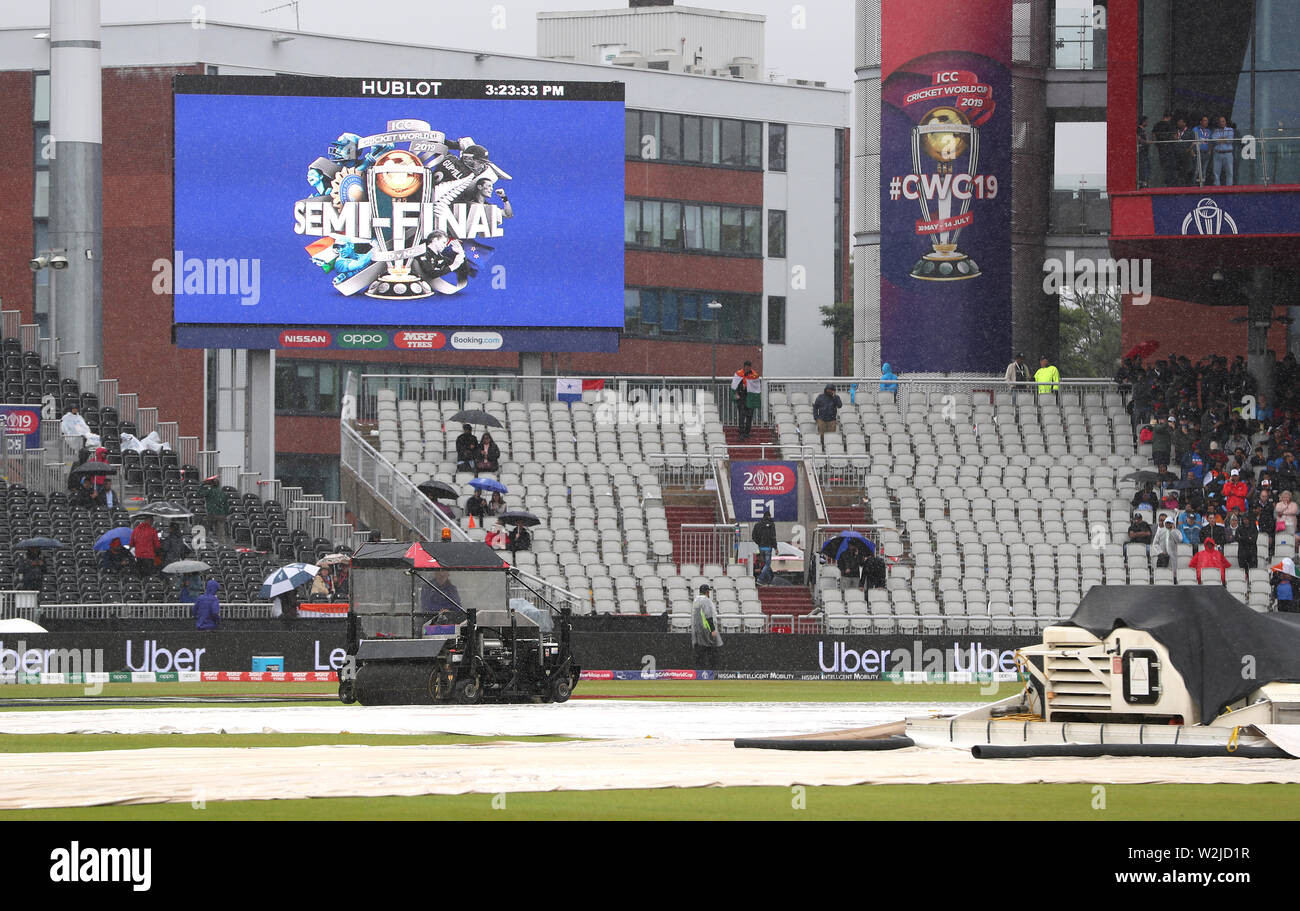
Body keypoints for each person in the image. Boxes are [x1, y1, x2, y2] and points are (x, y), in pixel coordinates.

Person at [690, 583, 722, 670]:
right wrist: (712, 629)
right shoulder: (706, 600)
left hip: (697, 629)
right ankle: (713, 671)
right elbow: (708, 615)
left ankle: (699, 671)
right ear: (707, 592)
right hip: (706, 629)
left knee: (699, 652)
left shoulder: (695, 600)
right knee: (713, 650)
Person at [731, 361, 761, 440]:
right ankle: (741, 433)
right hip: (741, 397)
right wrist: (736, 393)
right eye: (746, 367)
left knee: (749, 416)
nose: (747, 368)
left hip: (750, 398)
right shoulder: (738, 374)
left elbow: (756, 388)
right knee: (741, 415)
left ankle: (747, 432)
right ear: (744, 367)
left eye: (749, 367)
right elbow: (734, 385)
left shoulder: (754, 375)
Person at [812, 384, 843, 451]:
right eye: (828, 389)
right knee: (822, 435)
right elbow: (815, 407)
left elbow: (839, 405)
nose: (829, 391)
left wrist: (834, 396)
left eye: (831, 389)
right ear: (826, 389)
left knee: (831, 435)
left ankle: (830, 448)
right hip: (821, 419)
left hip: (832, 420)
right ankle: (822, 448)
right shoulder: (820, 397)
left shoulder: (836, 397)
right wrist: (816, 417)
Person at [1152, 111, 1177, 187]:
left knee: (1164, 166)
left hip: (1161, 148)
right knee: (1171, 167)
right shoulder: (1170, 125)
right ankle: (1170, 183)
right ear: (1169, 117)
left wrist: (1157, 144)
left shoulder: (1157, 125)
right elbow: (1175, 137)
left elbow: (1153, 136)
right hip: (1169, 148)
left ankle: (1165, 182)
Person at [1211, 115, 1235, 187]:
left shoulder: (1230, 130)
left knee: (1229, 172)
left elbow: (1230, 140)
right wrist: (1224, 138)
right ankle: (1217, 188)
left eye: (1223, 121)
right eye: (1220, 121)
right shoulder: (1216, 131)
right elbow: (1214, 140)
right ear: (1218, 123)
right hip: (1217, 154)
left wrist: (1220, 139)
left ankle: (1229, 188)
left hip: (1228, 153)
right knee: (1216, 172)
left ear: (1225, 122)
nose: (1222, 123)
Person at [751, 510, 777, 576]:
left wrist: (759, 543)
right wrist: (775, 548)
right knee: (767, 565)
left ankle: (769, 579)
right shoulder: (771, 524)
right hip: (768, 547)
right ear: (769, 516)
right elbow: (773, 537)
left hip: (761, 547)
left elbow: (753, 536)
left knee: (765, 564)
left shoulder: (757, 525)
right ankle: (761, 578)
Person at [1191, 115, 1213, 185]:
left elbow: (1210, 142)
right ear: (1201, 121)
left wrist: (1209, 151)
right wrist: (1192, 152)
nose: (1206, 122)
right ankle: (1194, 187)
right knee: (1196, 171)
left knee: (1204, 171)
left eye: (1207, 121)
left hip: (1206, 153)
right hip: (1198, 152)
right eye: (1205, 120)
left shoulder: (1208, 131)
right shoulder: (1195, 129)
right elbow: (1191, 141)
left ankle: (1203, 187)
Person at [1137, 115, 1152, 188]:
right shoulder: (1139, 129)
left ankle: (1145, 182)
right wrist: (1146, 142)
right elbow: (1138, 138)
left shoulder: (1143, 130)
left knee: (1147, 167)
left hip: (1145, 152)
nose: (1147, 123)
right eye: (1146, 121)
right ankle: (1142, 182)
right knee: (1143, 167)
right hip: (1142, 152)